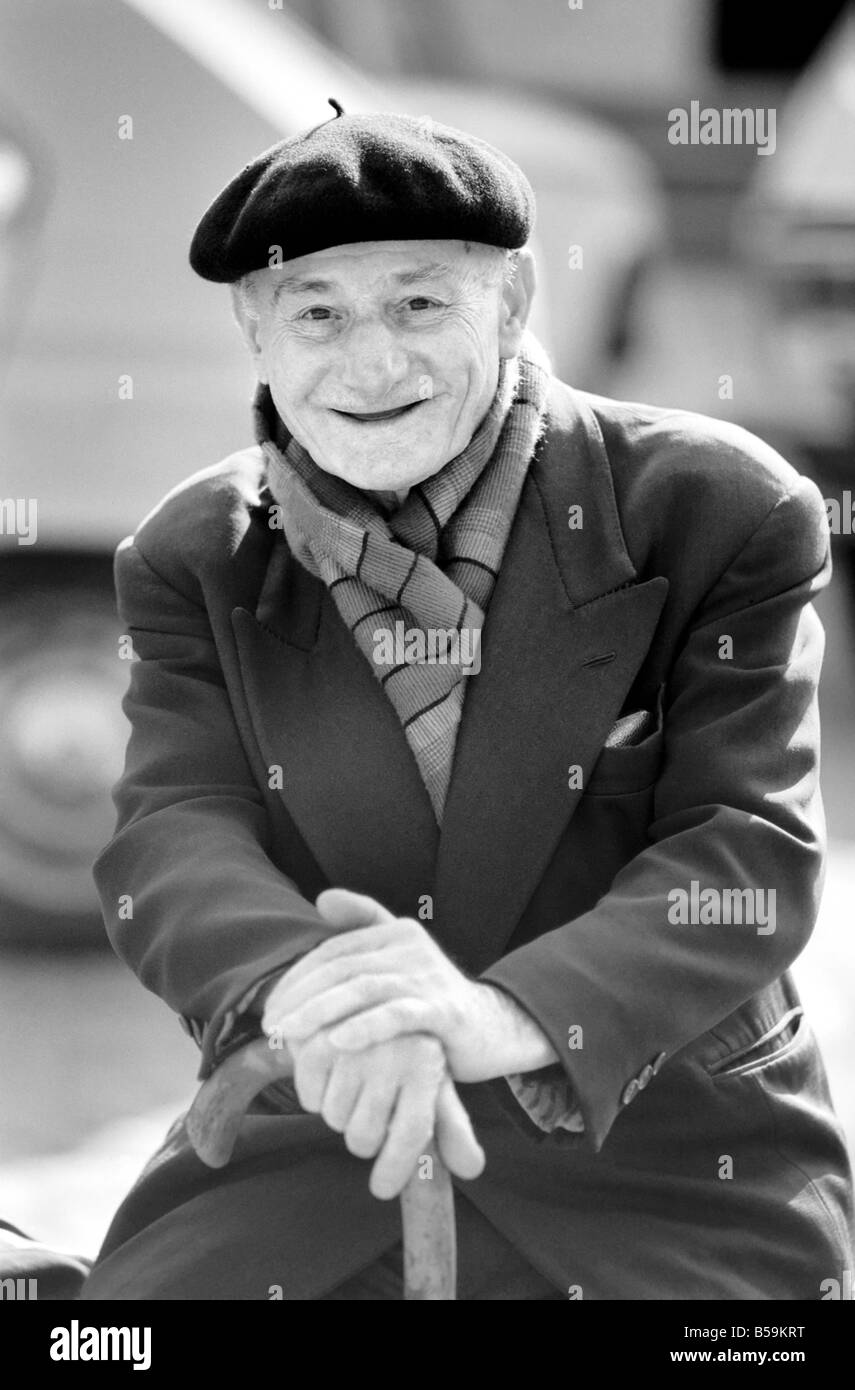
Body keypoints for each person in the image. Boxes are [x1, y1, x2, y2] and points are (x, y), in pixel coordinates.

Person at [81, 104, 853, 1300]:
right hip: (322, 1139)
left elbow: (746, 851)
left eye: (420, 304)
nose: (372, 362)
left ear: (515, 300)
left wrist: (492, 1018)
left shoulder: (716, 509)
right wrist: (318, 1003)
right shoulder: (197, 552)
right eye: (318, 313)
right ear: (254, 329)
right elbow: (171, 836)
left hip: (671, 1162)